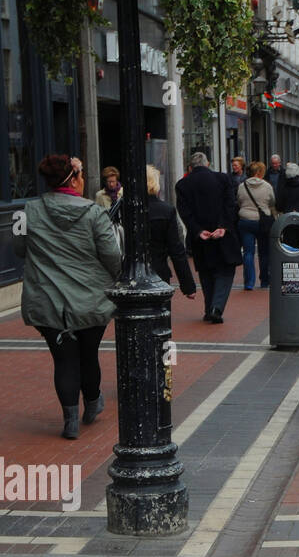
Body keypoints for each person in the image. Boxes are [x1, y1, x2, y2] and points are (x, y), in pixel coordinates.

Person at [14, 153, 122, 439]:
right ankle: (92, 402)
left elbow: (18, 248)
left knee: (63, 360)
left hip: (48, 301)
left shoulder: (25, 211)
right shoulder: (94, 212)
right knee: (88, 355)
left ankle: (70, 420)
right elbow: (112, 255)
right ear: (73, 178)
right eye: (81, 173)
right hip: (90, 299)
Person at [175, 151, 241, 323]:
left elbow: (184, 212)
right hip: (222, 235)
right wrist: (223, 226)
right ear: (208, 163)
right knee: (225, 271)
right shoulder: (223, 179)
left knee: (206, 271)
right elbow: (230, 204)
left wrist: (197, 230)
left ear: (190, 167)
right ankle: (216, 307)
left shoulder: (182, 185)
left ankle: (209, 307)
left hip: (200, 237)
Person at [146, 164, 196, 300]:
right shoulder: (165, 210)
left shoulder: (125, 209)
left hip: (130, 277)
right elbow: (176, 249)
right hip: (158, 273)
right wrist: (188, 286)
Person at [236, 160, 277, 292]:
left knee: (248, 253)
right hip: (262, 222)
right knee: (264, 252)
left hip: (245, 221)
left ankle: (249, 282)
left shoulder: (242, 186)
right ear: (260, 172)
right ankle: (264, 280)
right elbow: (272, 202)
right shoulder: (267, 186)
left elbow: (239, 200)